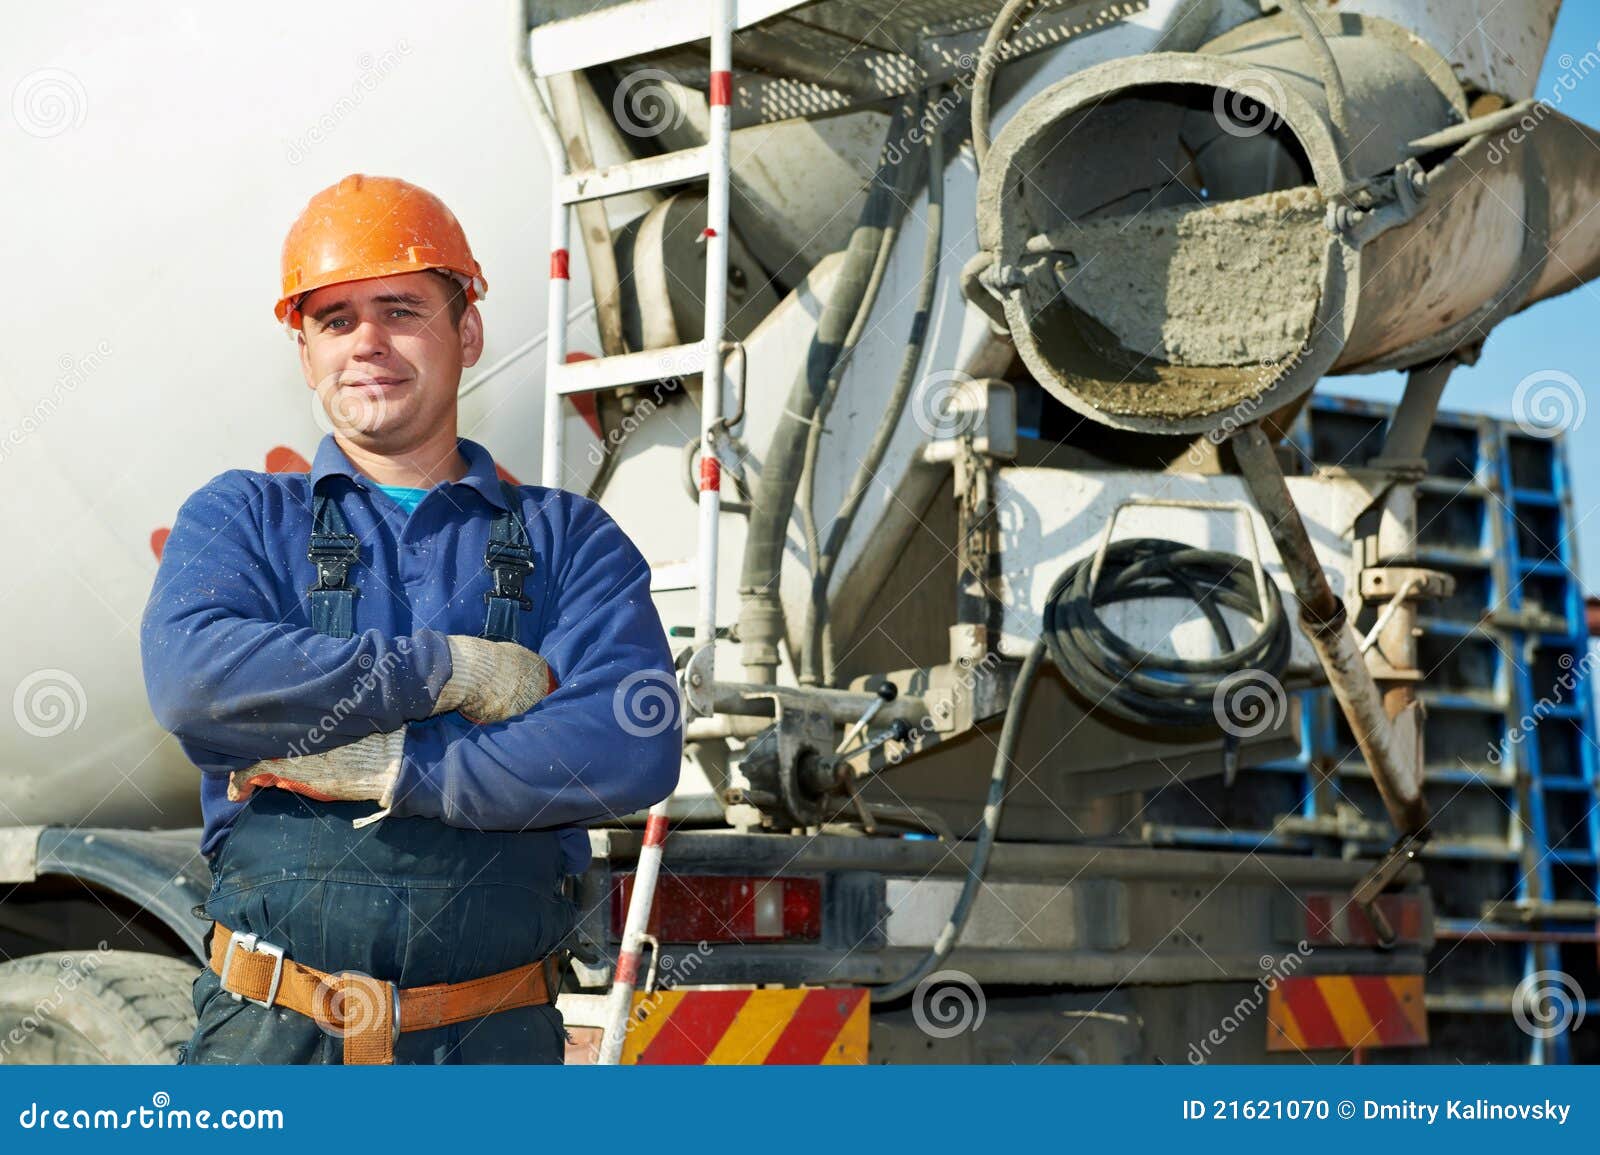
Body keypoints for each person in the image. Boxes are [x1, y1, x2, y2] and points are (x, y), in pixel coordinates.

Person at [139, 173, 680, 1064]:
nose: (369, 344)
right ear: (305, 353)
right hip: (271, 1041)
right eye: (336, 320)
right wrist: (443, 672)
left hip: (492, 1051)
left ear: (466, 331)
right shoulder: (240, 516)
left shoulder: (567, 538)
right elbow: (197, 678)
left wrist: (396, 764)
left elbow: (628, 741)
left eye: (401, 309)